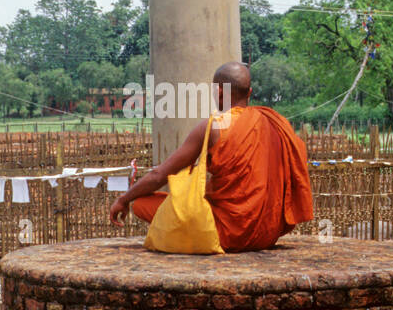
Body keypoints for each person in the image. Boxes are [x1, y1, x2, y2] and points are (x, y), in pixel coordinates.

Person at [108, 61, 314, 252]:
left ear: (219, 91)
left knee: (141, 203)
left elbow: (159, 175)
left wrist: (124, 199)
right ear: (249, 92)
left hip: (226, 234)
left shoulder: (214, 126)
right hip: (266, 234)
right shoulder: (275, 123)